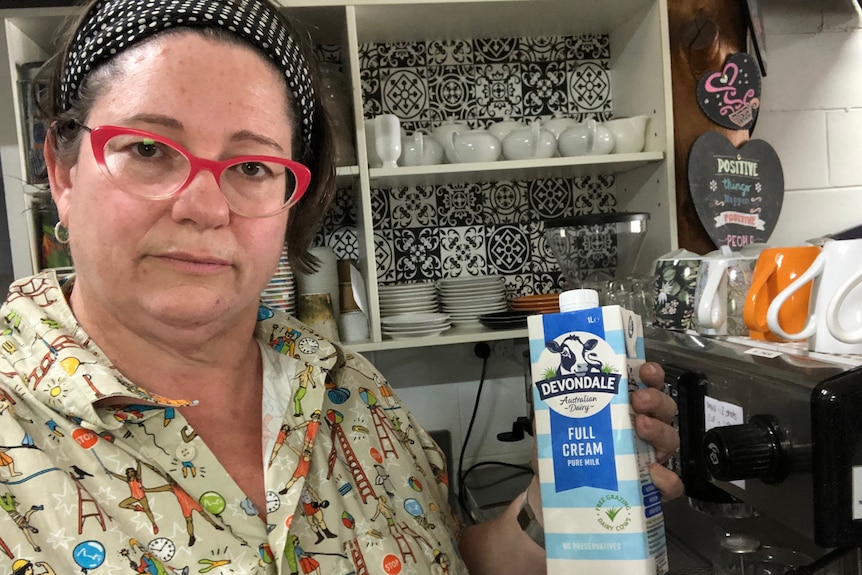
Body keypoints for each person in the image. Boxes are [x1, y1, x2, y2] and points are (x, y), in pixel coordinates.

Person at [0, 0, 682, 573]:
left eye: (254, 166)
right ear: (61, 170)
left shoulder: (350, 387)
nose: (205, 207)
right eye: (148, 149)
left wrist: (553, 504)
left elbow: (443, 558)